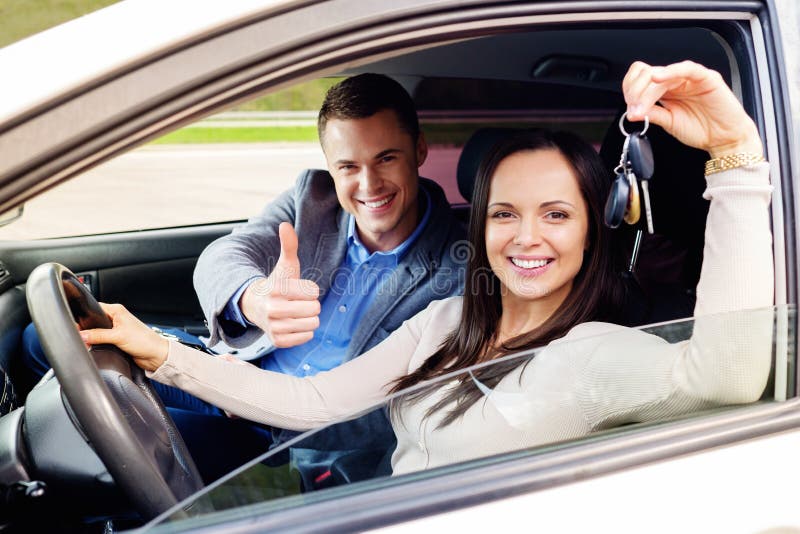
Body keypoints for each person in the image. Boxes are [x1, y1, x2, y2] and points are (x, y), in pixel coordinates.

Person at [79, 60, 774, 477]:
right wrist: (161, 351)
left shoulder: (594, 356)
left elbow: (730, 376)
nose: (526, 237)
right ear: (483, 222)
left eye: (556, 214)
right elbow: (315, 403)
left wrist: (736, 155)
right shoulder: (449, 321)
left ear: (594, 231)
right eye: (505, 213)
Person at [22, 74, 467, 484]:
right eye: (348, 166)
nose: (369, 184)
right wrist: (254, 299)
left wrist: (256, 399)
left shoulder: (458, 271)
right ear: (330, 167)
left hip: (281, 437)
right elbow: (223, 256)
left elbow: (390, 413)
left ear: (420, 150)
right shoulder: (312, 199)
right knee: (45, 338)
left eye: (386, 158)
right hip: (224, 367)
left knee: (88, 446)